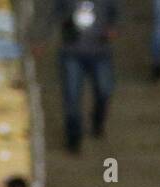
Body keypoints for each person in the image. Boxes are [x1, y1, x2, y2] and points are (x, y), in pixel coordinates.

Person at [49, 0, 118, 152]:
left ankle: (97, 122)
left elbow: (115, 13)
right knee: (72, 98)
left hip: (100, 52)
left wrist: (112, 28)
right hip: (71, 53)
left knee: (104, 91)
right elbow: (54, 12)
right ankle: (73, 138)